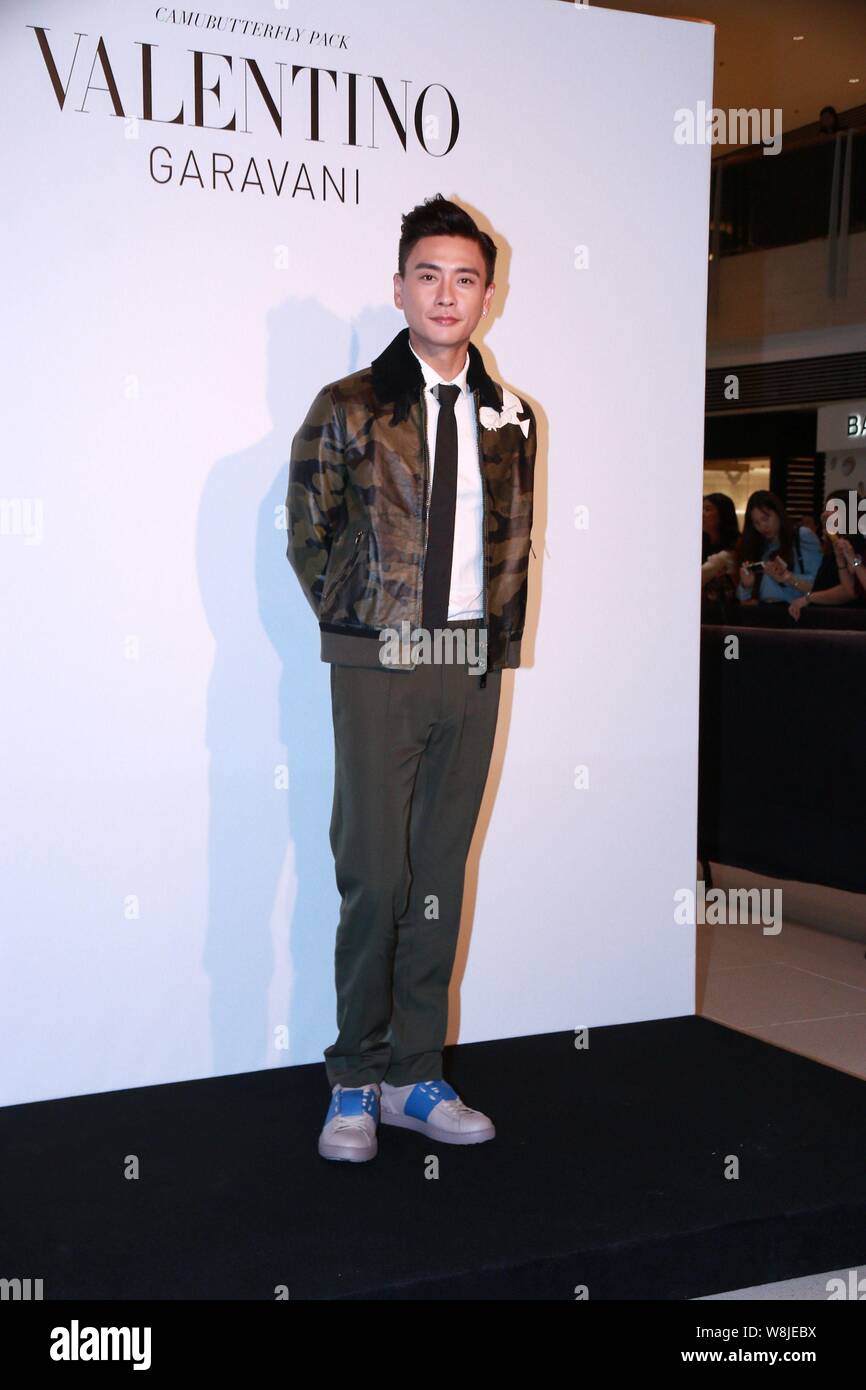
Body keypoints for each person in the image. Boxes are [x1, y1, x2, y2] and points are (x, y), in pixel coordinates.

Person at [285, 195, 538, 1163]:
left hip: (468, 667)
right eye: (427, 275)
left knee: (437, 874)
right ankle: (353, 1075)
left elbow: (510, 544)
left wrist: (488, 647)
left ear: (486, 293)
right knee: (375, 873)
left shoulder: (510, 418)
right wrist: (363, 630)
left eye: (464, 277)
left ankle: (414, 1075)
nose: (446, 293)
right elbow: (305, 534)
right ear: (399, 288)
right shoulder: (349, 405)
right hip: (381, 663)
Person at [735, 490, 823, 605]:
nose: (763, 526)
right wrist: (746, 586)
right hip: (764, 613)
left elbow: (820, 585)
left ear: (778, 513)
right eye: (756, 523)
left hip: (796, 612)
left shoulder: (801, 536)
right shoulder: (759, 545)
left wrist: (788, 577)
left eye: (765, 519)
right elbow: (743, 599)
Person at [789, 490, 866, 620]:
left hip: (844, 620)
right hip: (827, 618)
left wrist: (809, 598)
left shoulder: (855, 542)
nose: (824, 514)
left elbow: (850, 591)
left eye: (832, 509)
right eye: (825, 509)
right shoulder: (835, 545)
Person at [701, 492, 740, 616]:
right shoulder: (699, 543)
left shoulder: (737, 545)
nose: (702, 513)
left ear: (722, 513)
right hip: (704, 612)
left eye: (707, 509)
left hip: (731, 613)